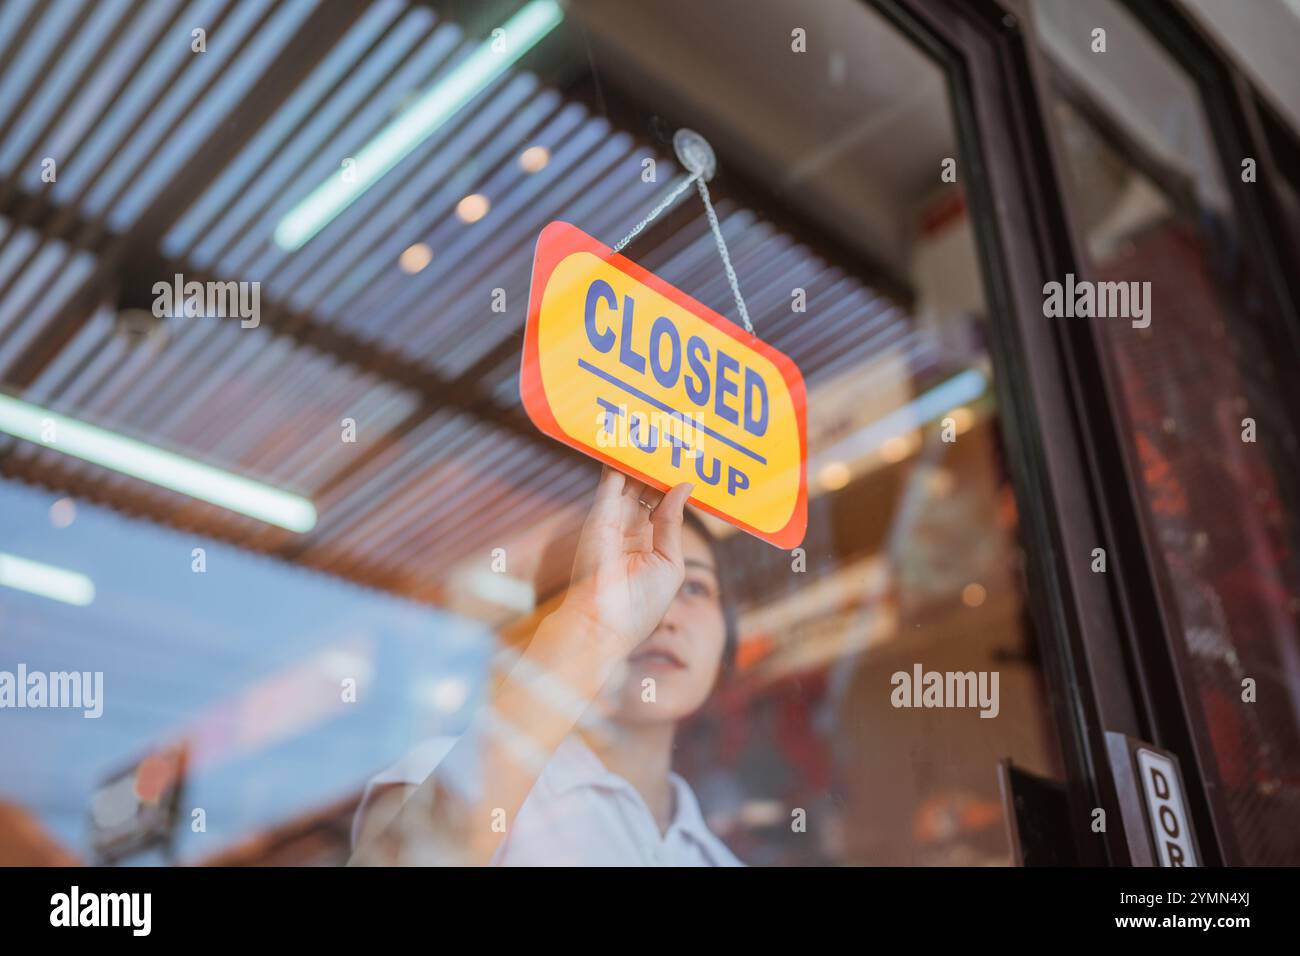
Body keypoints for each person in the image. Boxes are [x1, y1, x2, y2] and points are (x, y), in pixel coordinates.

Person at [350, 466, 743, 866]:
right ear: (552, 613)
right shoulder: (456, 774)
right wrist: (594, 628)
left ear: (727, 638)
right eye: (620, 574)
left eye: (695, 587)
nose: (663, 615)